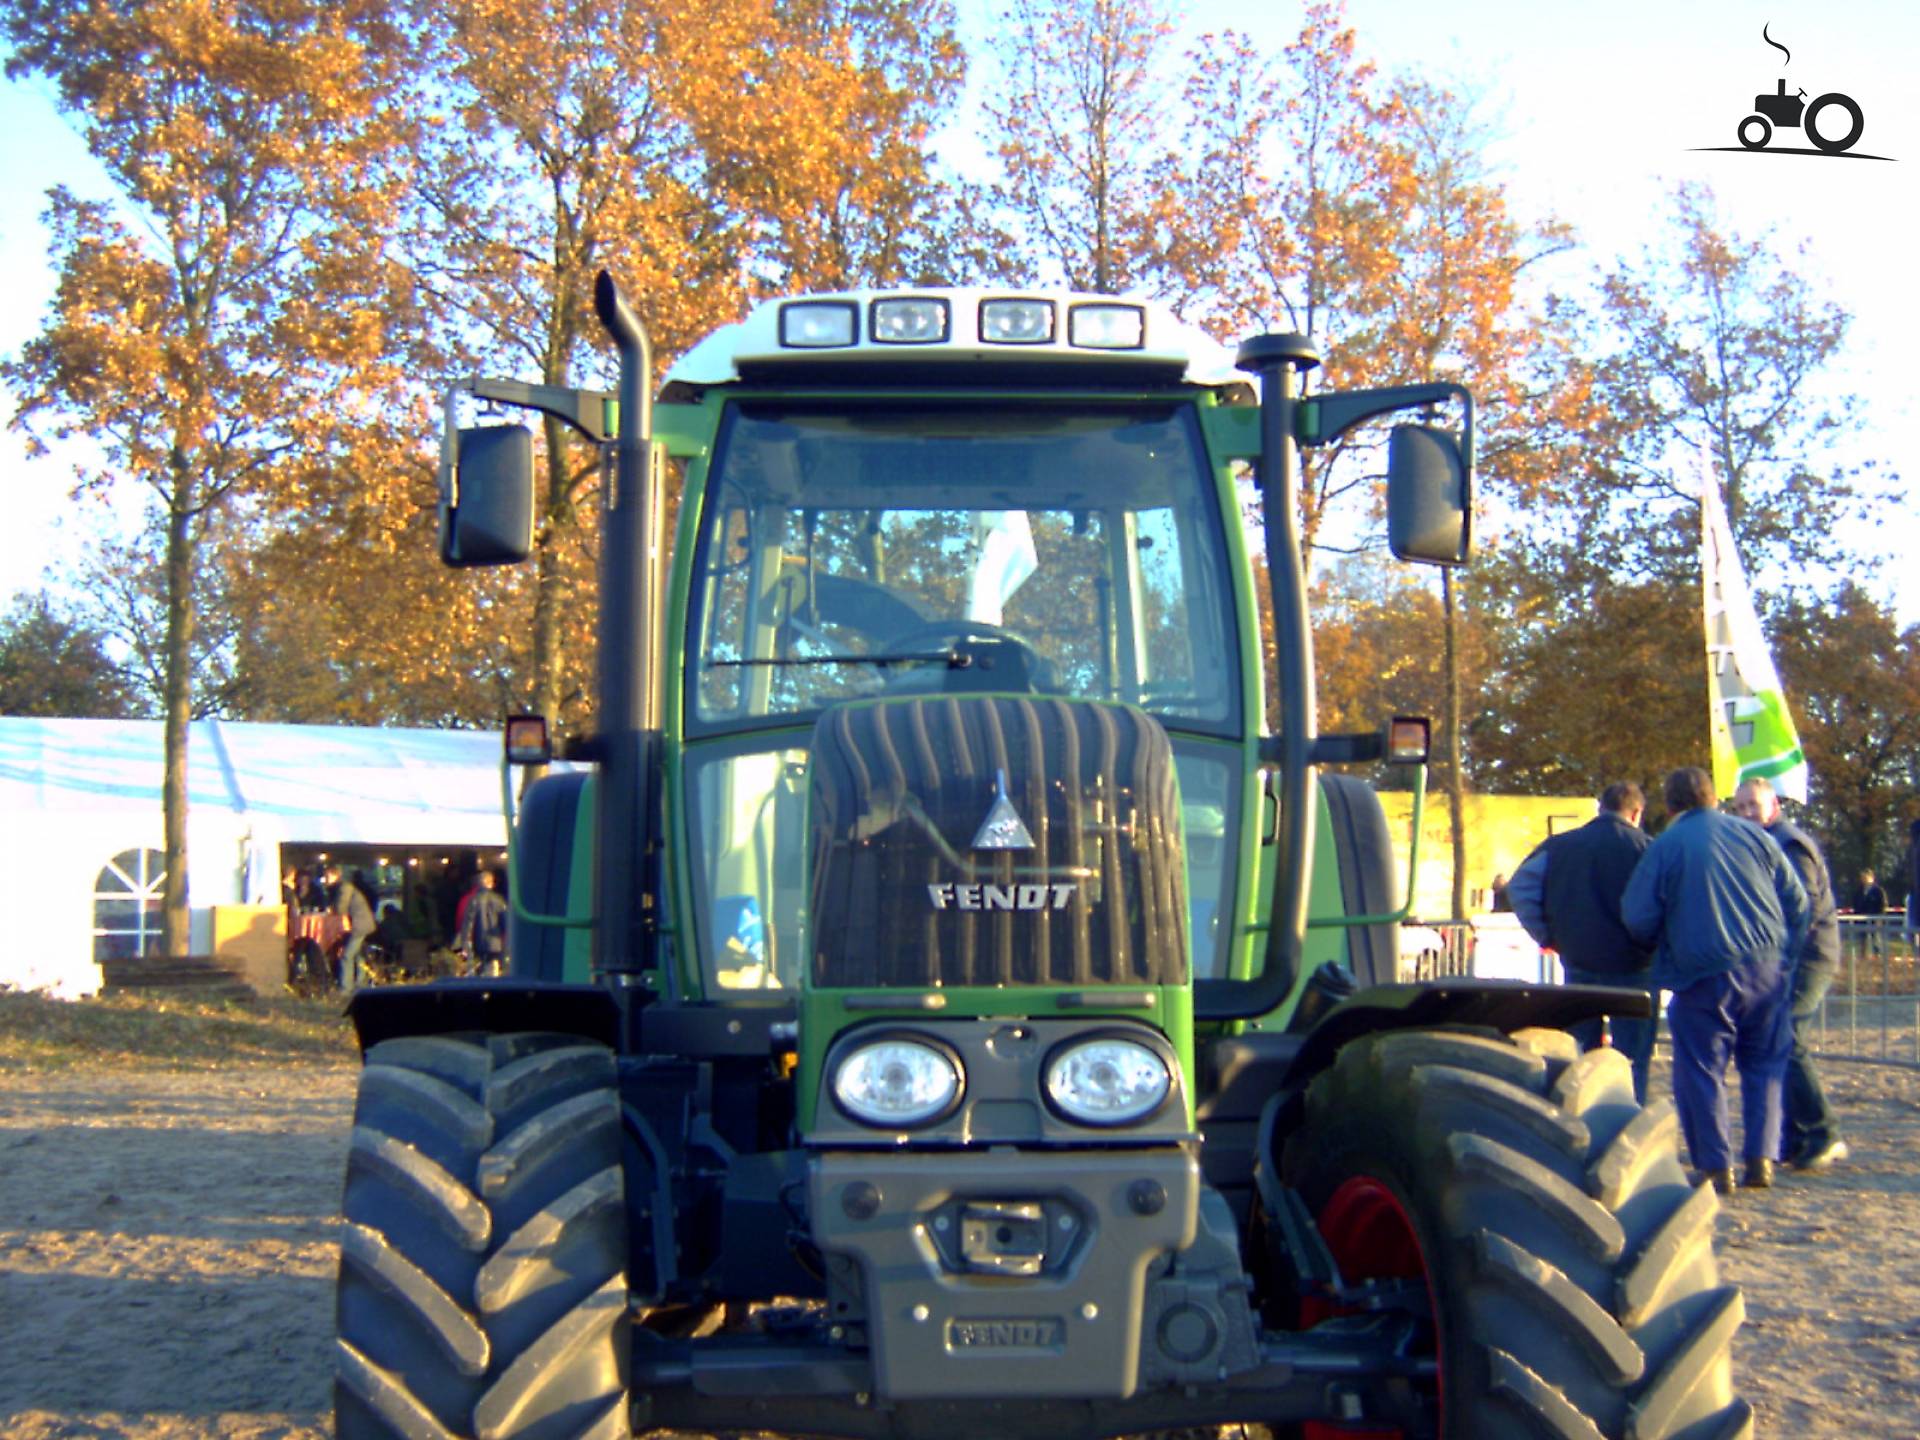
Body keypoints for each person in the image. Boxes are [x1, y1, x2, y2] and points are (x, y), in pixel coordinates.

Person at [1622, 767, 1808, 1195]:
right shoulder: (1757, 836)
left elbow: (1638, 916)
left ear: (1669, 806)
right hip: (1766, 967)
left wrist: (1663, 943)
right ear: (1714, 798)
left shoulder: (1665, 846)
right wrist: (1785, 957)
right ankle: (1761, 1158)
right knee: (1764, 1065)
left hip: (1702, 971)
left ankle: (1714, 1165)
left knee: (1702, 1068)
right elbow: (1797, 901)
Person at [1508, 782, 1657, 1101]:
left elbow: (1520, 888)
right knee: (1632, 1057)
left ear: (1600, 809)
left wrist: (1547, 934)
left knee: (1579, 1057)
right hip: (1635, 967)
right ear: (1636, 813)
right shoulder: (1647, 848)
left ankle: (1576, 1119)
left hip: (1578, 963)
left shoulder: (1558, 847)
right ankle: (1626, 1119)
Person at [1732, 777, 1848, 1171]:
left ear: (1774, 807)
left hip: (1808, 955)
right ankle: (1795, 1135)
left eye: (1754, 805)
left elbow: (1805, 908)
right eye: (1741, 807)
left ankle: (1823, 1131)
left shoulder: (1789, 843)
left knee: (1788, 1038)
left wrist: (1782, 955)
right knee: (1778, 1039)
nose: (1747, 812)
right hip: (1785, 956)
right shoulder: (1763, 844)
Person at [327, 863, 377, 994]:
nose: (326, 879)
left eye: (328, 876)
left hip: (359, 925)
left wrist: (330, 909)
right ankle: (361, 984)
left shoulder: (344, 888)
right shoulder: (343, 887)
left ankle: (346, 988)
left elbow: (340, 908)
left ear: (336, 875)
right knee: (357, 955)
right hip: (362, 924)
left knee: (346, 956)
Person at [457, 868, 509, 974]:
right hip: (496, 944)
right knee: (493, 972)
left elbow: (468, 924)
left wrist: (465, 944)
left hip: (478, 944)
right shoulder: (499, 900)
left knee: (479, 973)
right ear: (490, 883)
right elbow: (506, 924)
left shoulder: (472, 900)